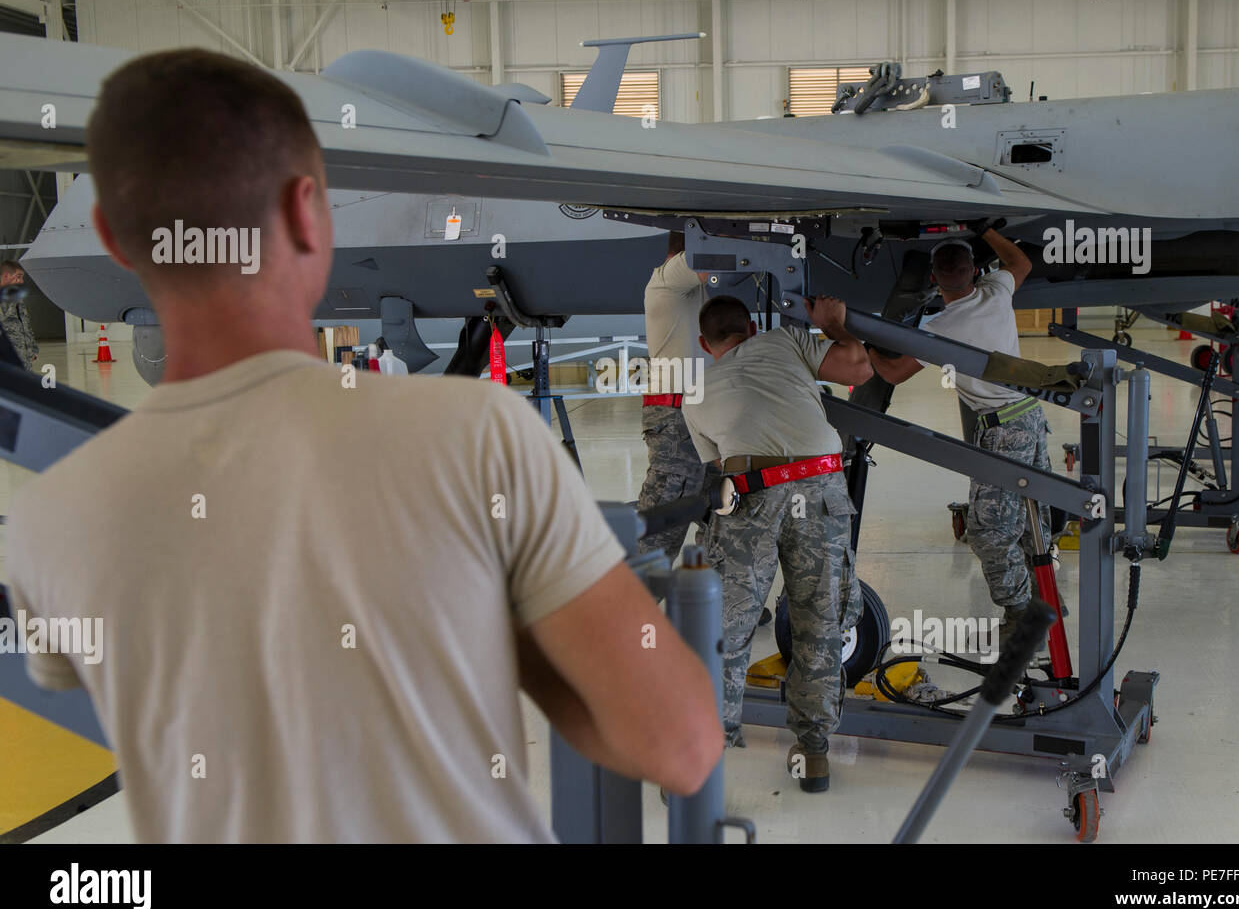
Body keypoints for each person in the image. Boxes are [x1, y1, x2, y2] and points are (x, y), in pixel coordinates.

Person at [6, 49, 723, 843]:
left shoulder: (49, 521)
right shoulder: (474, 441)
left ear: (111, 236)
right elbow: (680, 743)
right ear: (309, 211)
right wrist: (489, 604)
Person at [683, 294, 871, 792]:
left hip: (750, 496)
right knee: (819, 623)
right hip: (822, 488)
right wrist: (837, 325)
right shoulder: (784, 340)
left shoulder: (695, 393)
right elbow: (858, 370)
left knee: (725, 630)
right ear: (750, 326)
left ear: (705, 344)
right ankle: (814, 754)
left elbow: (718, 466)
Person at [866, 223, 1051, 652]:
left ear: (934, 279)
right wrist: (986, 230)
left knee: (988, 533)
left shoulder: (942, 328)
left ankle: (1023, 616)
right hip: (1030, 418)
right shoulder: (997, 291)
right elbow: (1020, 261)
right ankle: (1044, 603)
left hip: (1003, 429)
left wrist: (867, 341)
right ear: (974, 271)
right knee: (1031, 525)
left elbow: (893, 372)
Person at [636, 231, 710, 561]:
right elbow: (708, 259)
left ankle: (718, 610)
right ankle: (629, 609)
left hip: (705, 417)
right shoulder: (667, 279)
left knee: (722, 519)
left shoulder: (692, 290)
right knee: (662, 532)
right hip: (678, 420)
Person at [0, 259, 39, 369]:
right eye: (19, 276)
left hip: (22, 359)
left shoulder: (16, 299)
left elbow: (25, 324)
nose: (21, 281)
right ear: (6, 276)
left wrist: (32, 349)